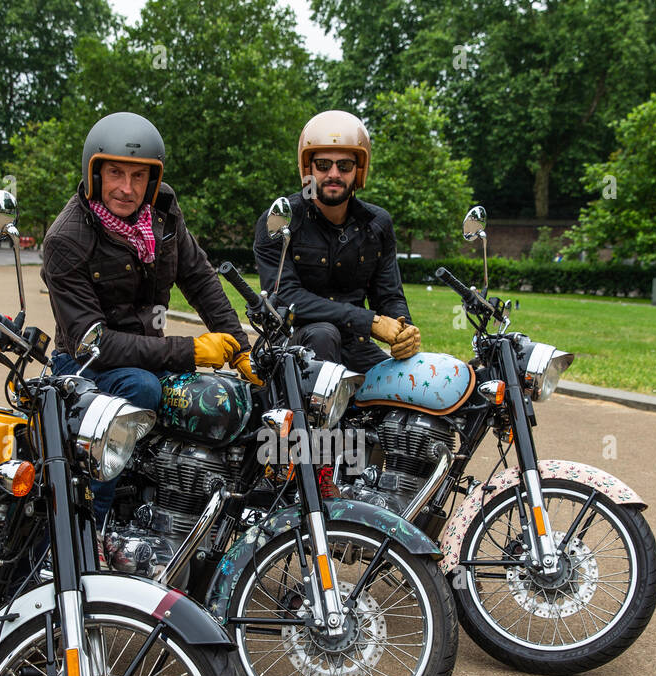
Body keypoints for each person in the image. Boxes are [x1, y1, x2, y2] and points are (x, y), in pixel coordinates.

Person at [41, 111, 258, 519]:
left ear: (153, 178)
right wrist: (189, 350)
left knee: (230, 399)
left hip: (147, 355)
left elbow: (200, 279)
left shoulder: (163, 216)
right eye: (116, 174)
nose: (127, 188)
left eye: (138, 176)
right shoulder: (66, 238)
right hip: (84, 362)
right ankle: (92, 523)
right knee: (141, 389)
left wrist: (240, 349)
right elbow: (94, 341)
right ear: (95, 173)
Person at [253, 110, 420, 372]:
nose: (334, 174)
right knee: (324, 333)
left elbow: (388, 294)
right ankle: (313, 415)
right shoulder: (281, 219)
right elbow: (285, 296)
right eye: (323, 165)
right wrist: (370, 321)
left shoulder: (378, 223)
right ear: (307, 168)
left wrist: (404, 328)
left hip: (357, 344)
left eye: (344, 166)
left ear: (359, 170)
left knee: (414, 384)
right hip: (292, 345)